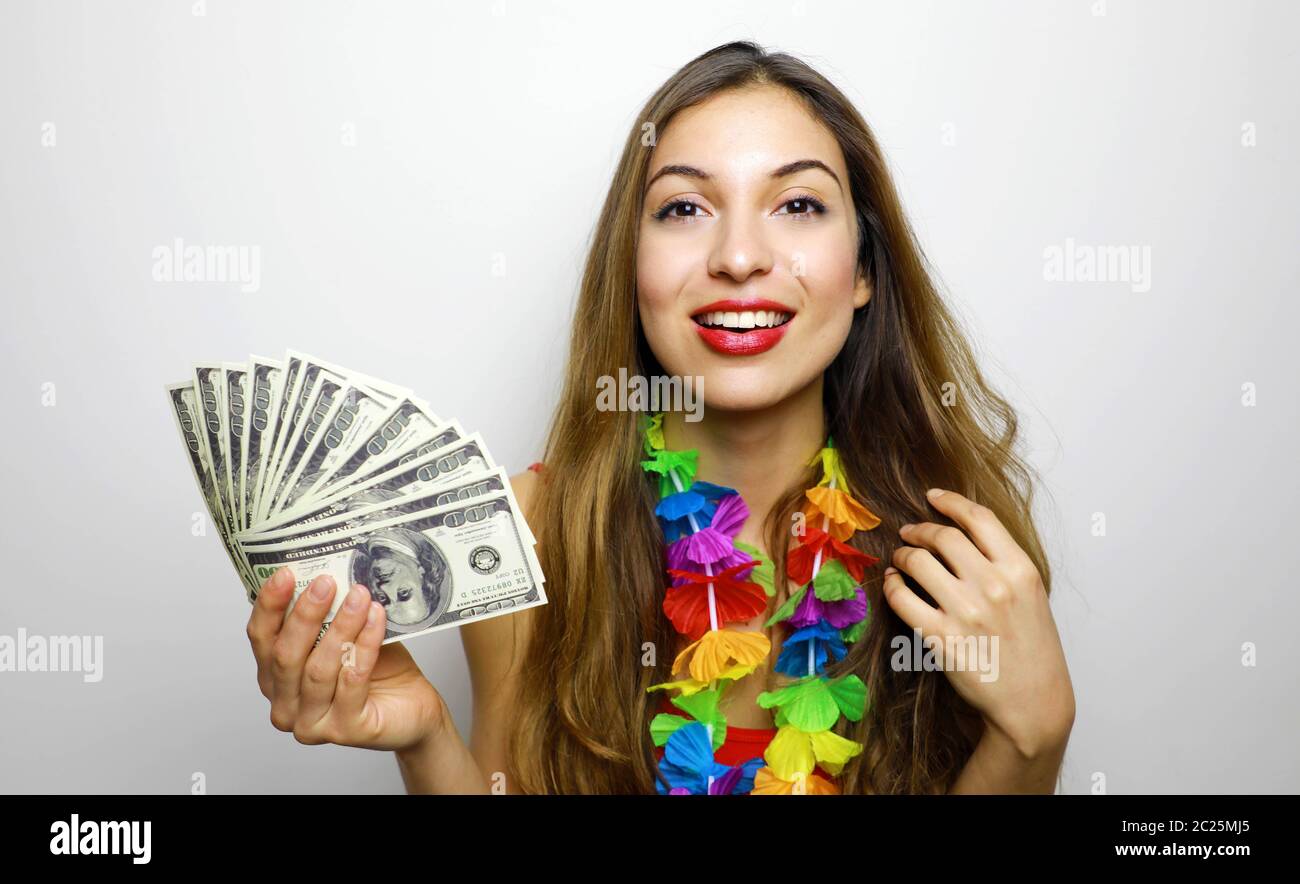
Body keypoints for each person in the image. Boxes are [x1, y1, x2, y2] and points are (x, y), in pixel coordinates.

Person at [244, 40, 1074, 794]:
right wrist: (425, 741)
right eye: (685, 208)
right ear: (631, 263)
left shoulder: (958, 551)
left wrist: (1033, 740)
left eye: (798, 205)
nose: (739, 257)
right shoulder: (531, 531)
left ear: (863, 269)